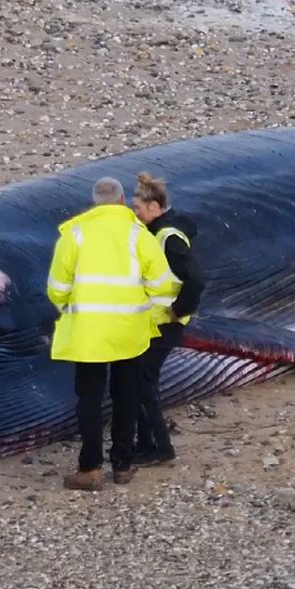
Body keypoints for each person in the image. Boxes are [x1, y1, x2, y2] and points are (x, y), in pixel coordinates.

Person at [46, 176, 177, 491]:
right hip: (129, 332)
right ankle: (122, 464)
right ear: (121, 202)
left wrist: (68, 308)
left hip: (88, 334)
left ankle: (90, 468)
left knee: (89, 399)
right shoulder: (138, 235)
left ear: (95, 202)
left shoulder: (74, 234)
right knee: (126, 398)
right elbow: (162, 284)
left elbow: (57, 288)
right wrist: (156, 317)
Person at [131, 172, 205, 467]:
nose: (135, 214)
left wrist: (180, 310)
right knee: (143, 382)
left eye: (138, 208)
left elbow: (195, 279)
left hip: (166, 324)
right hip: (155, 323)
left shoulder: (167, 237)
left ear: (154, 207)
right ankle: (147, 443)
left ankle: (159, 448)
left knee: (142, 383)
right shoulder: (160, 231)